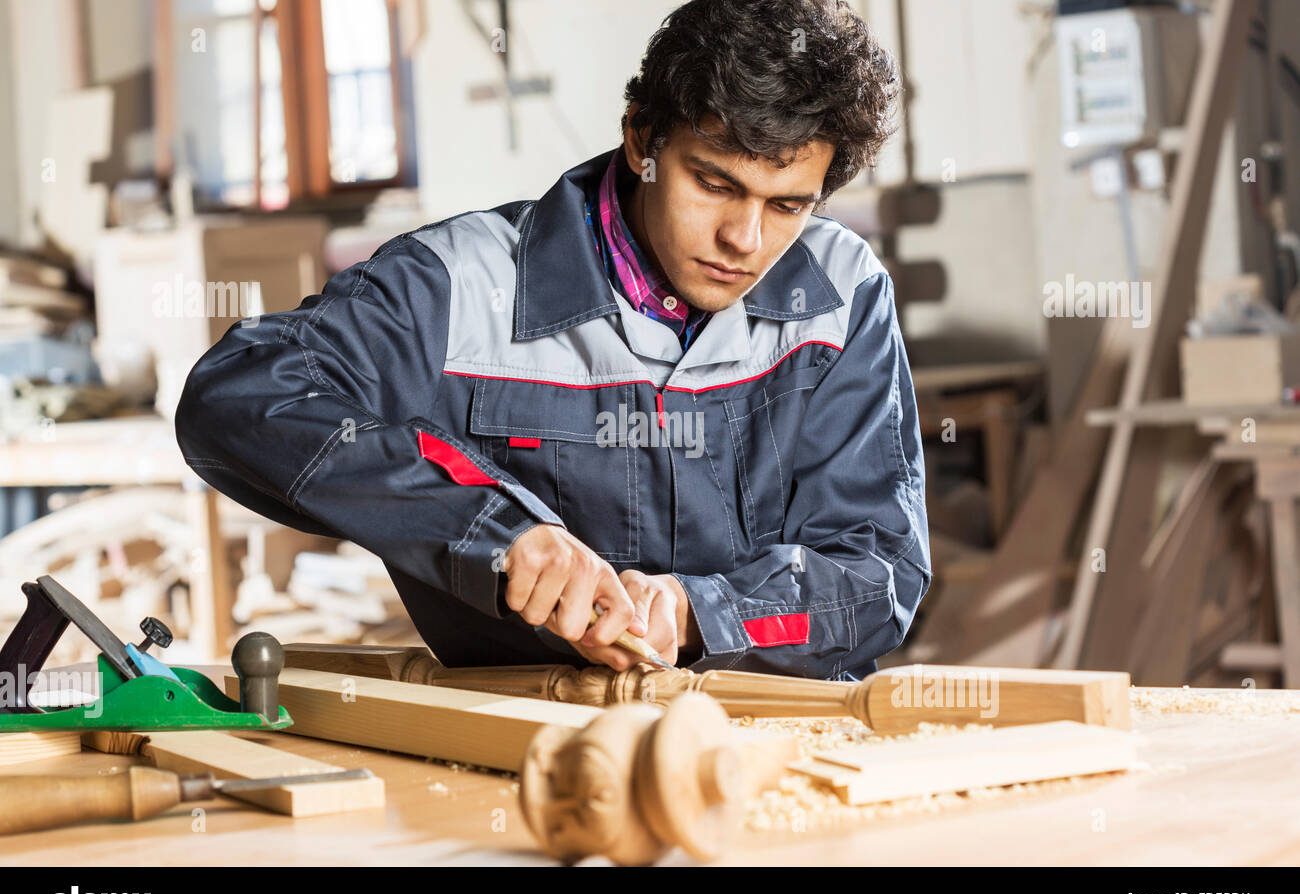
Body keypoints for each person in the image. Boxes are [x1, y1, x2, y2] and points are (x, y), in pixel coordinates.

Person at [175, 0, 930, 680]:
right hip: (526, 757)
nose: (744, 238)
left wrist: (702, 613)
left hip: (771, 758)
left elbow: (879, 574)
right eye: (716, 184)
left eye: (788, 205)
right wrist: (496, 531)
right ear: (642, 138)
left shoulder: (842, 292)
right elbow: (239, 395)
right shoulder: (461, 286)